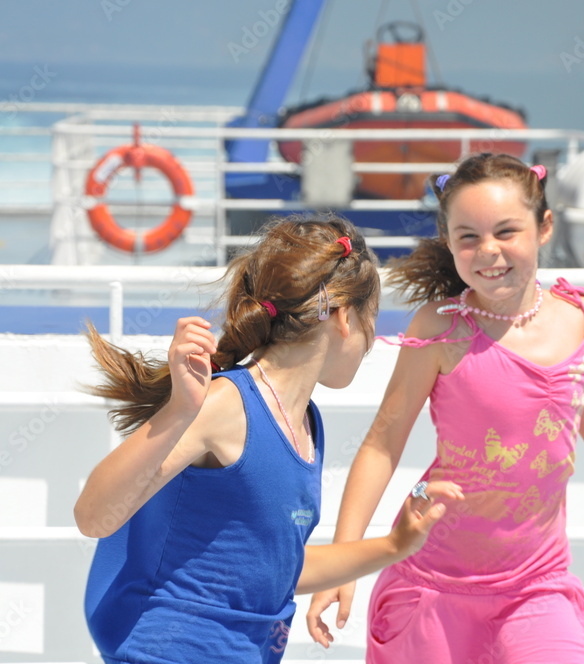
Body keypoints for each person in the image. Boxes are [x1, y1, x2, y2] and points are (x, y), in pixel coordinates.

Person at [305, 154, 584, 663]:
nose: (488, 250)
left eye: (506, 231)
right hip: (433, 584)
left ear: (544, 227)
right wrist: (343, 561)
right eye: (468, 236)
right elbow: (383, 444)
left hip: (536, 586)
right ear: (448, 241)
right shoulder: (440, 326)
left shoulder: (580, 315)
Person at [74, 215, 464, 664]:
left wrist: (395, 545)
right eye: (371, 321)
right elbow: (94, 516)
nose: (372, 341)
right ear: (343, 317)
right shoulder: (226, 404)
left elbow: (278, 568)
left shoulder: (306, 425)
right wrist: (180, 409)